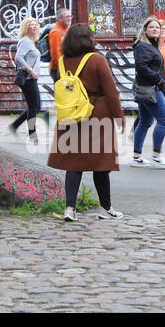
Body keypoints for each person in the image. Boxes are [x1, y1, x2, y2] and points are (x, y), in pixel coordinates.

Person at [47, 23, 125, 221]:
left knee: (73, 164)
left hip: (70, 115)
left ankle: (69, 209)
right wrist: (119, 116)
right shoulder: (97, 60)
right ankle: (106, 208)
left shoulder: (62, 61)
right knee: (101, 164)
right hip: (97, 114)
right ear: (88, 39)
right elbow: (111, 91)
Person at [131, 17, 165, 168]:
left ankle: (137, 156)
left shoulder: (151, 45)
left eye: (157, 27)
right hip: (151, 89)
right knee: (164, 120)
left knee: (145, 121)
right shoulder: (143, 46)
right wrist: (159, 80)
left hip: (147, 88)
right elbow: (141, 67)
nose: (155, 29)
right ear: (145, 30)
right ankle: (157, 155)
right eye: (152, 27)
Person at [10, 17, 44, 145]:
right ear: (25, 27)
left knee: (35, 106)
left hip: (32, 79)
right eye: (31, 25)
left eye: (35, 25)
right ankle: (32, 135)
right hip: (28, 78)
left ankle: (15, 125)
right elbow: (18, 57)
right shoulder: (25, 41)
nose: (34, 27)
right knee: (34, 106)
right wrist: (30, 70)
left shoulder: (31, 41)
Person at [46, 8, 72, 73]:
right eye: (67, 16)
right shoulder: (56, 32)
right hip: (59, 69)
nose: (70, 19)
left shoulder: (65, 30)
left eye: (70, 16)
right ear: (59, 18)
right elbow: (55, 54)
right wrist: (62, 68)